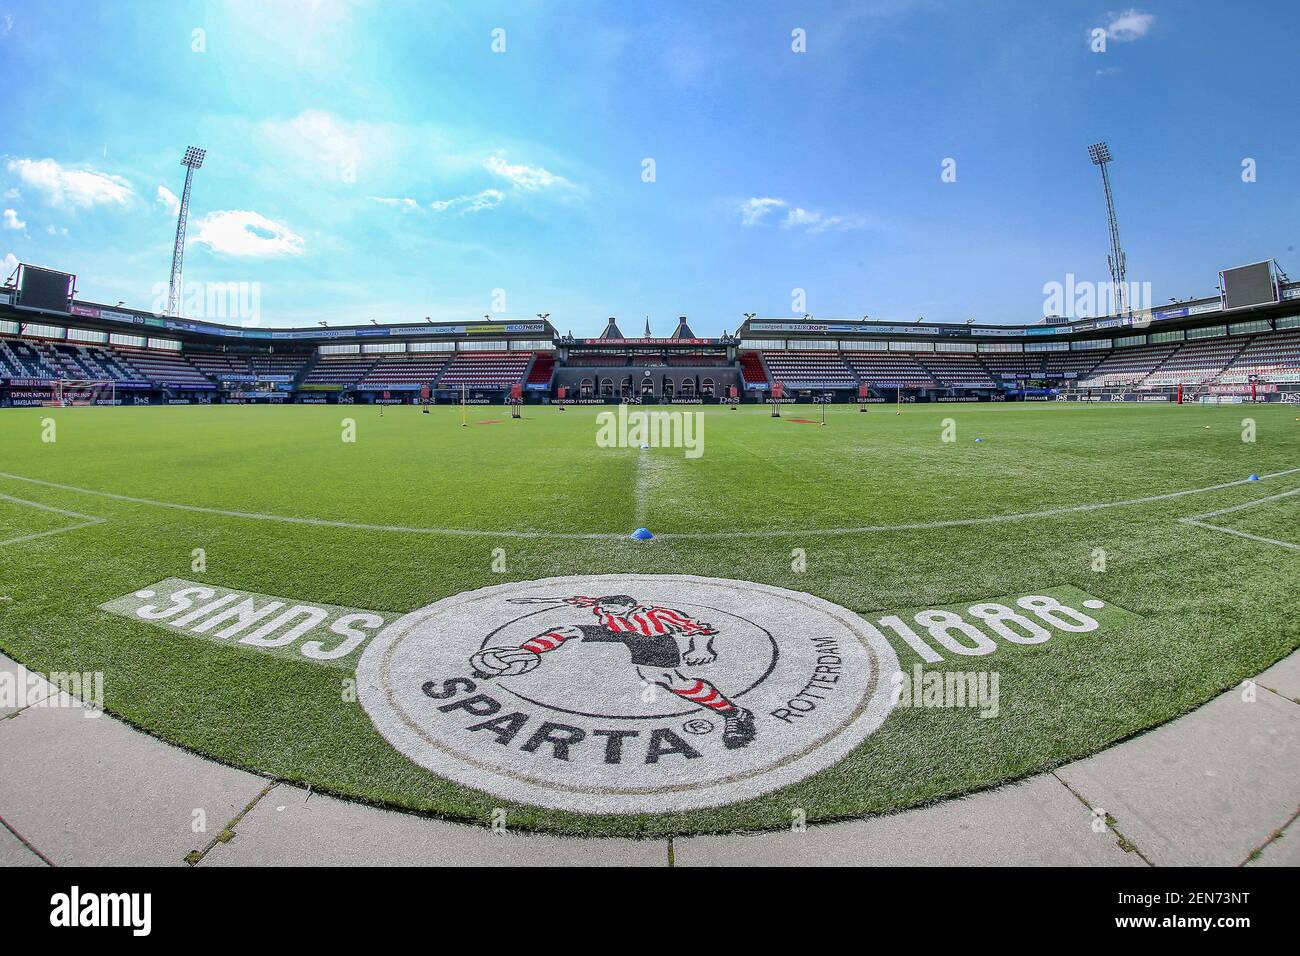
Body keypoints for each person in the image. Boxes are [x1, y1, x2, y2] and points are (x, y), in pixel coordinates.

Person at [470, 594, 757, 749]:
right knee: (566, 631)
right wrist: (561, 601)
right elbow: (582, 601)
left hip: (654, 641)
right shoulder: (606, 612)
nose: (608, 610)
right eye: (606, 607)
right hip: (618, 634)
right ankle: (523, 654)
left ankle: (734, 714)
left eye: (615, 608)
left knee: (665, 679)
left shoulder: (657, 615)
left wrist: (701, 649)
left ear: (633, 606)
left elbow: (701, 628)